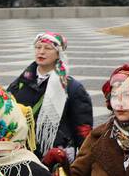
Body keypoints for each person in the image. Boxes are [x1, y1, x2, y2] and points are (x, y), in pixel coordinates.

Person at [6, 32, 93, 162]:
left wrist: (84, 161)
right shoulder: (20, 82)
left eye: (47, 48)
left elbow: (83, 129)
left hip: (56, 154)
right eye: (38, 47)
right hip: (22, 151)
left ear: (59, 53)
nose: (41, 52)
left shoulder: (71, 88)